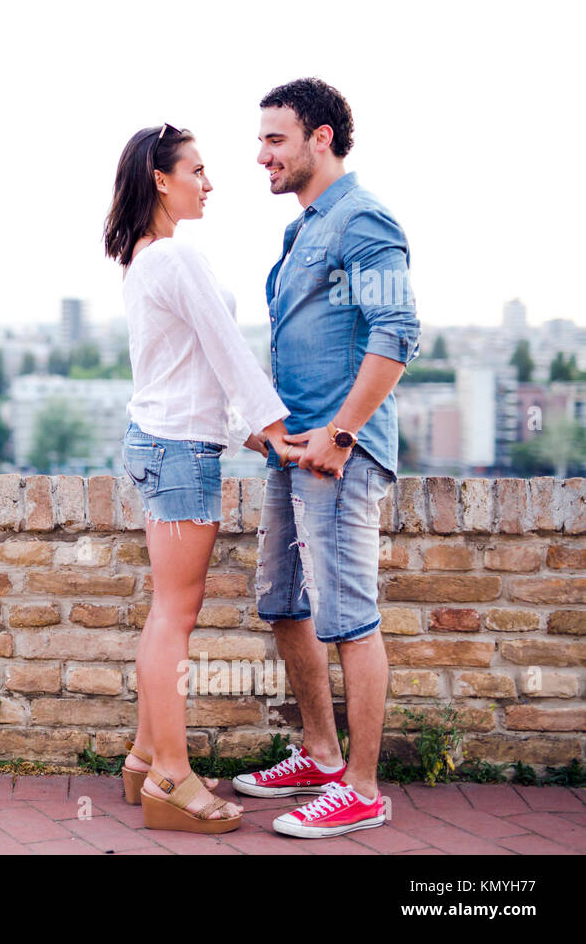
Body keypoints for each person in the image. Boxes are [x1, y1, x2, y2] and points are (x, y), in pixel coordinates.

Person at [232, 78, 421, 838]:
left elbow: (397, 331)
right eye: (261, 140)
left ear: (321, 138)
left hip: (339, 457)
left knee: (349, 619)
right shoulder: (301, 229)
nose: (260, 155)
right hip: (293, 451)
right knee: (284, 603)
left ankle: (365, 790)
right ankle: (320, 753)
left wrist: (341, 436)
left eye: (275, 139)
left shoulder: (364, 220)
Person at [104, 123, 297, 834]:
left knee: (164, 610)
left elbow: (187, 363)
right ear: (162, 177)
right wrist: (272, 426)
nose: (209, 183)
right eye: (198, 170)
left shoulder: (143, 258)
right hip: (180, 450)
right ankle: (172, 780)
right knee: (174, 617)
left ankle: (144, 758)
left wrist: (245, 426)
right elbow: (225, 347)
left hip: (159, 439)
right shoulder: (176, 260)